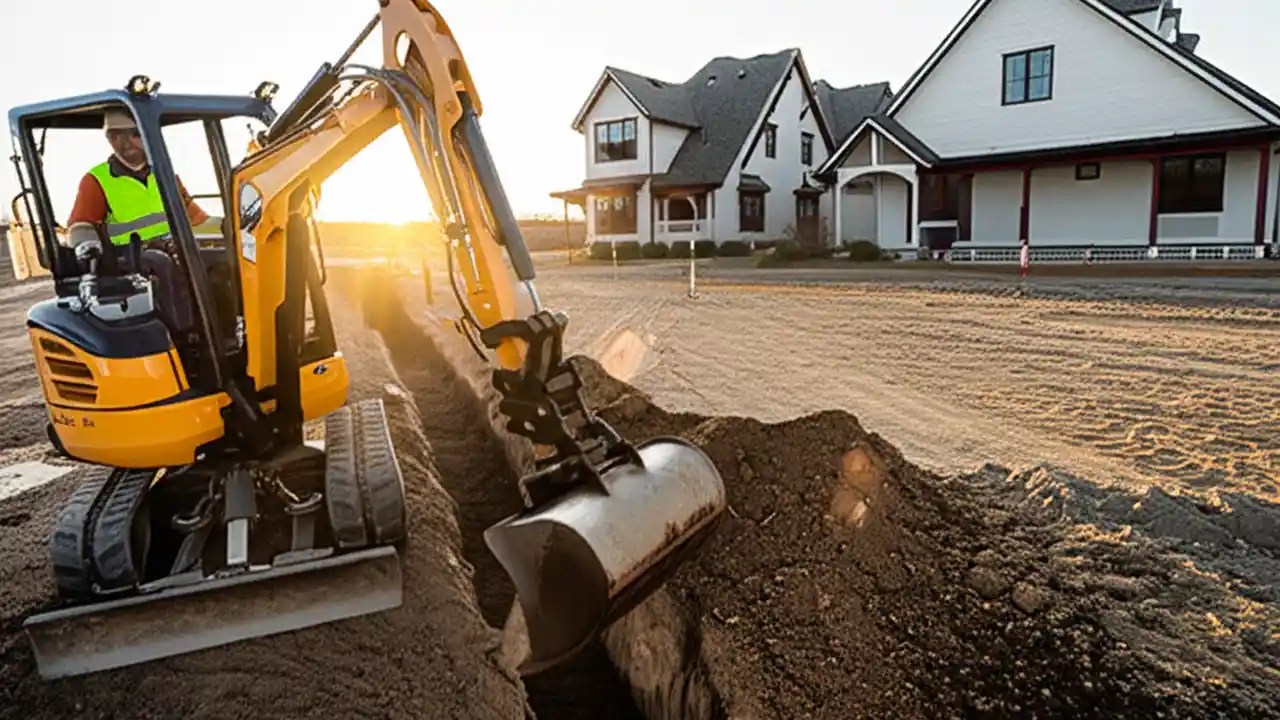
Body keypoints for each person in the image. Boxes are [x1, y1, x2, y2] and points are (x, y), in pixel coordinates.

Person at [65, 108, 215, 335]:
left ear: (147, 134)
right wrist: (87, 246)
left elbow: (197, 219)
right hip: (125, 258)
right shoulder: (97, 180)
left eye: (131, 134)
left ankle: (225, 332)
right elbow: (80, 225)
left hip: (172, 245)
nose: (123, 143)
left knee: (219, 257)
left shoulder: (165, 174)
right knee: (161, 263)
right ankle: (184, 338)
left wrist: (232, 227)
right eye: (114, 137)